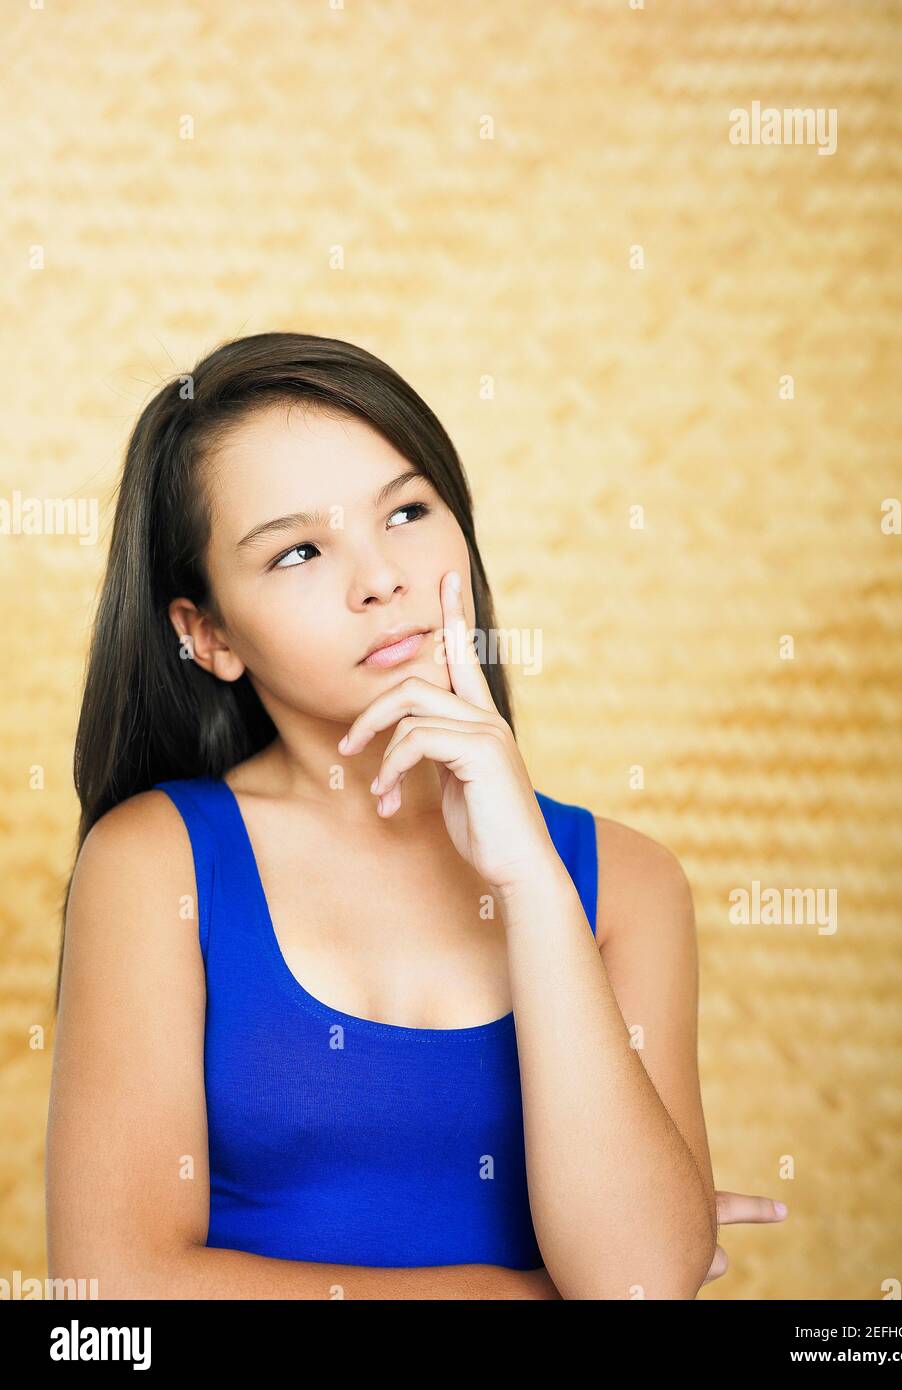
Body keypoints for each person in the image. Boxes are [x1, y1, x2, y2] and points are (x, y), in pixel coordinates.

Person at [45, 332, 787, 1299]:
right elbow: (113, 1296)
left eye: (406, 511)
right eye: (299, 550)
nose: (380, 579)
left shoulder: (630, 883)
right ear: (209, 634)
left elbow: (638, 1282)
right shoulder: (157, 865)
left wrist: (530, 885)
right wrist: (519, 1294)